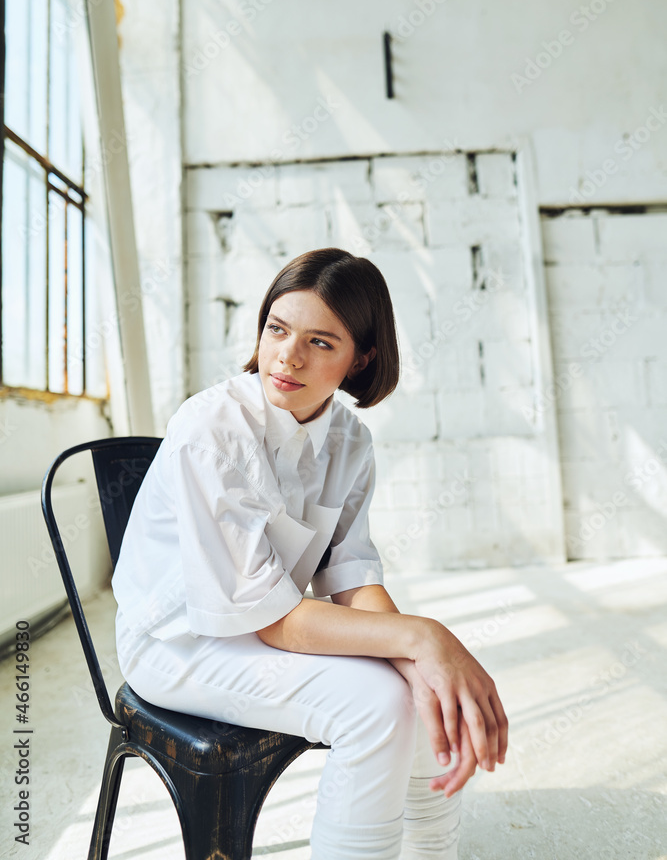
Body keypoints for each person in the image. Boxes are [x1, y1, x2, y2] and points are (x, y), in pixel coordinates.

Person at [112, 247, 508, 860]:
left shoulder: (351, 441)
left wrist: (419, 663)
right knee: (377, 706)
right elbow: (273, 619)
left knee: (420, 690)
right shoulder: (212, 430)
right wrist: (425, 637)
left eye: (320, 342)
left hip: (261, 625)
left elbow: (349, 574)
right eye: (277, 329)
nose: (288, 356)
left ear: (362, 358)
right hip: (176, 644)